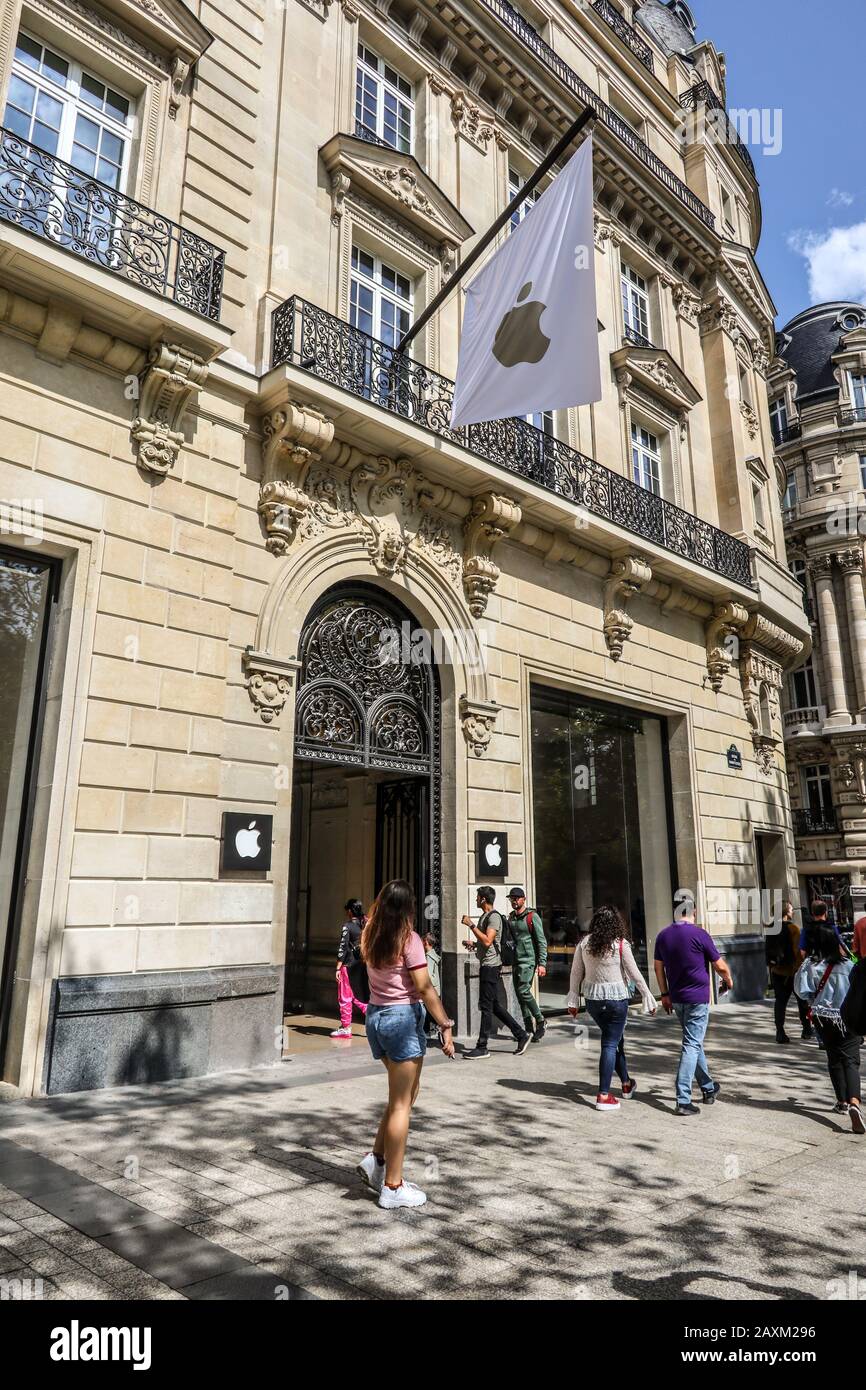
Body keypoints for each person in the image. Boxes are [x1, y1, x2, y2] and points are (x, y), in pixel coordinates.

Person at [357, 880, 455, 1209]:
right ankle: (393, 1187)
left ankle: (377, 1160)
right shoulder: (408, 939)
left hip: (376, 1017)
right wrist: (445, 1024)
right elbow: (425, 987)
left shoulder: (369, 932)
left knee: (402, 1096)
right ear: (408, 907)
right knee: (403, 1104)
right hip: (401, 1020)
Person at [566, 904, 657, 1111]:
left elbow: (575, 973)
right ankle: (604, 1095)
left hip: (593, 1001)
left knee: (616, 1040)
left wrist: (573, 1000)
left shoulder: (584, 943)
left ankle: (626, 1083)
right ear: (616, 923)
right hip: (616, 1000)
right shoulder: (620, 944)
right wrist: (647, 995)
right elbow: (634, 973)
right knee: (610, 1043)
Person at [654, 900, 733, 1116]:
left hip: (677, 998)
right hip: (697, 998)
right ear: (694, 913)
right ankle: (683, 1099)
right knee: (691, 1044)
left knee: (693, 1042)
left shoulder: (663, 935)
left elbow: (657, 968)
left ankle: (708, 1088)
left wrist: (664, 994)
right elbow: (719, 965)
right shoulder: (700, 934)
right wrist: (728, 979)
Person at [794, 927, 864, 1134]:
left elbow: (801, 990)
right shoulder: (850, 965)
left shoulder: (812, 965)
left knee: (834, 1058)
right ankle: (854, 1102)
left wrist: (812, 999)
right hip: (847, 1016)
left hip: (822, 1018)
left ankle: (841, 1101)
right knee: (851, 1060)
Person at [462, 887, 531, 1059]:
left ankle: (482, 1046)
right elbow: (486, 944)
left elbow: (488, 940)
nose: (476, 900)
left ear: (484, 899)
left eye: (478, 897)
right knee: (493, 1006)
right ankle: (521, 1034)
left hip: (491, 967)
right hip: (487, 964)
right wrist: (474, 944)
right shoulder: (486, 917)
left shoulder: (493, 917)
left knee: (486, 1006)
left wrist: (470, 924)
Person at [506, 886, 548, 1042]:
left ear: (523, 899)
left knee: (524, 990)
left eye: (516, 898)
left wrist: (542, 963)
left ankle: (540, 1020)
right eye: (512, 899)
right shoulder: (511, 918)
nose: (514, 901)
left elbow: (541, 941)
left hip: (528, 960)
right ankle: (528, 1029)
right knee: (519, 995)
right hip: (516, 960)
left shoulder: (532, 916)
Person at [767, 898, 811, 1044]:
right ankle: (806, 1029)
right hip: (793, 972)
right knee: (802, 1001)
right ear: (786, 911)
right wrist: (800, 970)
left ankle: (780, 1031)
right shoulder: (793, 929)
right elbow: (798, 952)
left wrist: (772, 968)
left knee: (780, 1002)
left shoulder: (771, 928)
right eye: (791, 909)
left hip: (777, 972)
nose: (793, 911)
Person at [331, 897, 368, 1039]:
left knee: (345, 996)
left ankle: (345, 1027)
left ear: (349, 911)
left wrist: (337, 968)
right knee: (358, 995)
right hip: (362, 965)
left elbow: (343, 948)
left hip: (348, 966)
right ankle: (373, 1016)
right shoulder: (366, 923)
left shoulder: (347, 926)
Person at [422, 931, 442, 1042]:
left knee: (428, 1011)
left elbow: (428, 975)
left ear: (426, 942)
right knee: (428, 1011)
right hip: (434, 990)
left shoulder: (429, 957)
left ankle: (439, 1026)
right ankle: (429, 1030)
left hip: (431, 990)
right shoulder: (432, 955)